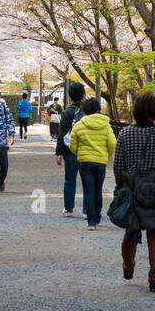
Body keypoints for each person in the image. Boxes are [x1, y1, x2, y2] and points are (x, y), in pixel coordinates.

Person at [114, 90, 155, 292]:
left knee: (131, 231)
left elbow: (117, 165)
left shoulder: (125, 134)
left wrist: (121, 187)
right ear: (153, 113)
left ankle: (128, 265)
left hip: (133, 188)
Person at [69, 96, 113, 230]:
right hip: (100, 162)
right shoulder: (106, 125)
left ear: (84, 111)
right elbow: (112, 143)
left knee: (88, 191)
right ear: (98, 110)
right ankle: (98, 217)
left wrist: (79, 154)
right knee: (98, 190)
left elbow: (72, 145)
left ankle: (91, 222)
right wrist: (106, 154)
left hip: (85, 162)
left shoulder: (79, 125)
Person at [55, 83, 86, 216]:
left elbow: (61, 133)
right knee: (88, 181)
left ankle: (68, 208)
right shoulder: (90, 110)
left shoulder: (68, 111)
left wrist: (59, 152)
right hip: (87, 150)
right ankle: (87, 210)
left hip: (70, 151)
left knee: (70, 179)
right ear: (84, 94)